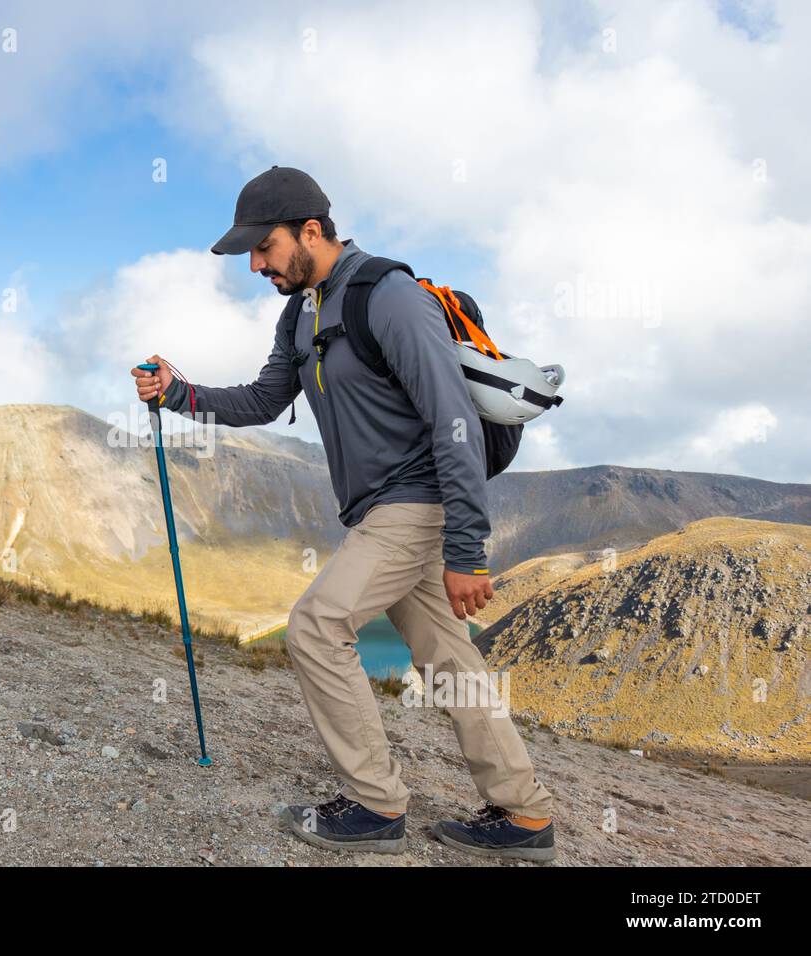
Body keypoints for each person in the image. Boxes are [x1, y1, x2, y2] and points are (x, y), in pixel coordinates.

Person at [130, 166, 555, 861]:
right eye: (251, 255)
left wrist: (468, 551)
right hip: (383, 512)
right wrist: (183, 395)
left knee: (316, 626)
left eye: (263, 248)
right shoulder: (300, 314)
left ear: (312, 231)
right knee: (449, 664)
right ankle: (525, 815)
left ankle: (376, 805)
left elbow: (454, 422)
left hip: (415, 506)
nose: (257, 264)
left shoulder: (388, 296)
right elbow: (265, 399)